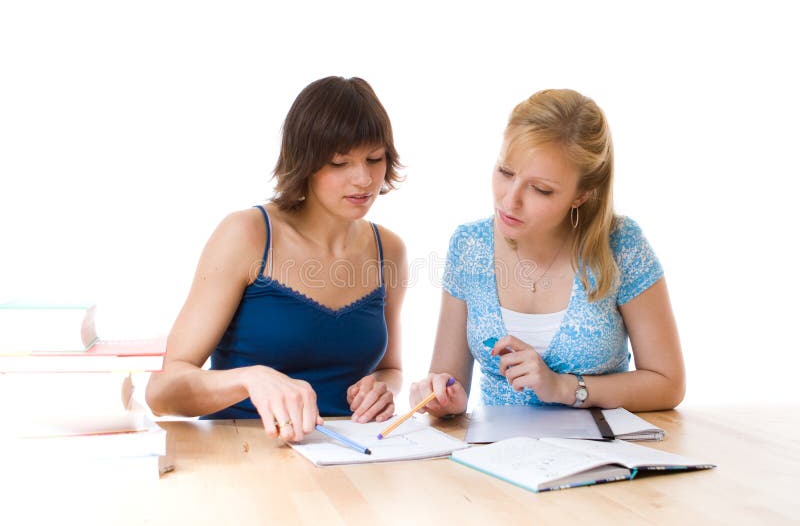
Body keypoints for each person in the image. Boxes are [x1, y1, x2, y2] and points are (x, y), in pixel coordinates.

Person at [146, 76, 407, 442]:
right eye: (339, 162)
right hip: (243, 452)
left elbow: (391, 369)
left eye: (374, 159)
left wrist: (382, 388)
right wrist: (249, 379)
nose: (363, 178)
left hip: (346, 455)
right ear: (306, 163)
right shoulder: (247, 234)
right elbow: (161, 392)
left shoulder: (388, 250)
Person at [409, 88, 684, 416]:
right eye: (505, 172)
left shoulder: (621, 244)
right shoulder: (470, 245)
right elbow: (449, 382)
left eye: (540, 189)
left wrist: (565, 387)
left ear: (582, 194)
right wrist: (440, 397)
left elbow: (668, 383)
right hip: (497, 446)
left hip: (598, 445)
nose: (510, 200)